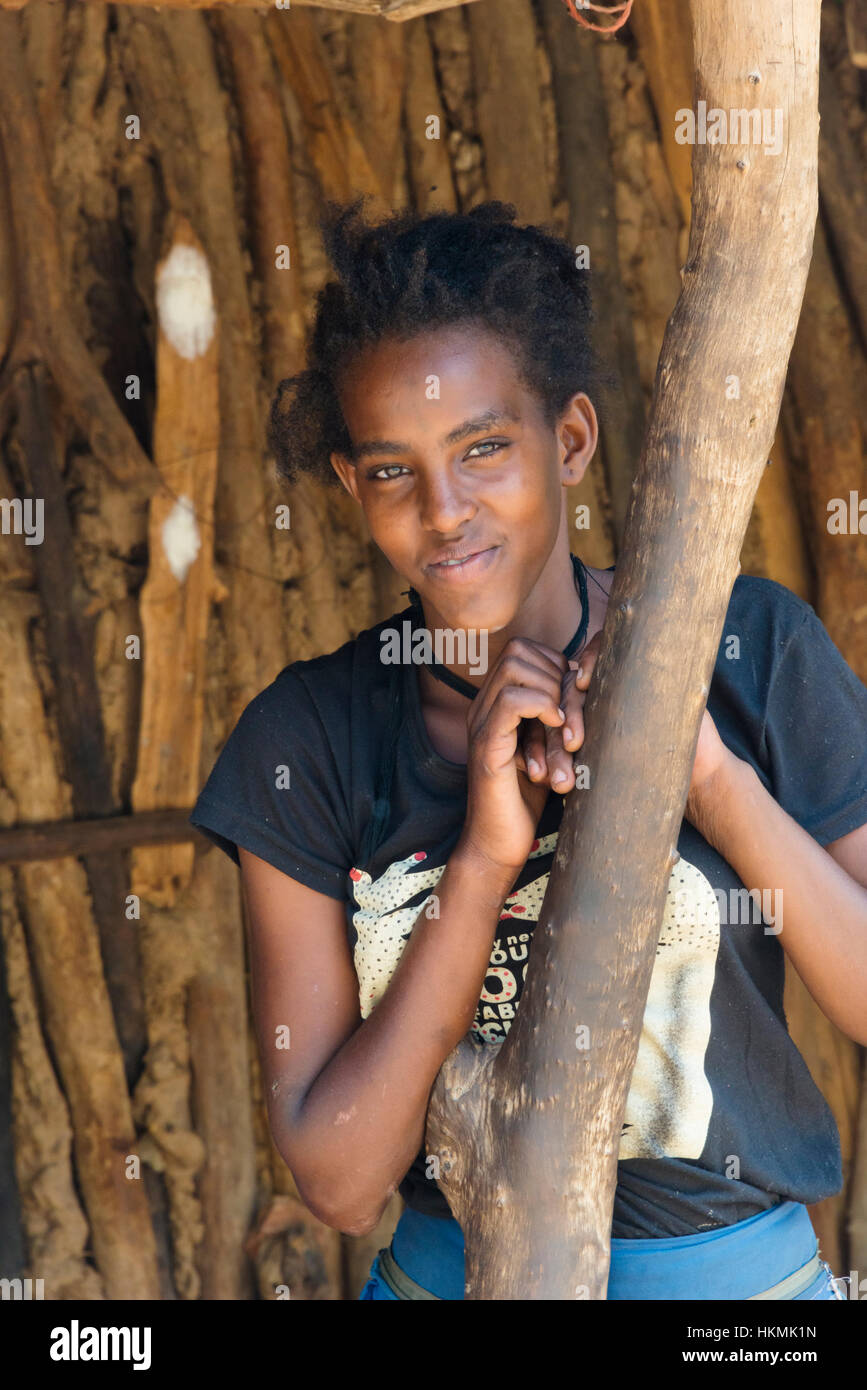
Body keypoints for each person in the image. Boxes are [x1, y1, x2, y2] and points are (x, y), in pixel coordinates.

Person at [189, 199, 867, 1301]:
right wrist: (481, 862)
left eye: (483, 448)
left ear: (572, 441)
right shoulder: (306, 739)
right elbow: (342, 1183)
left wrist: (706, 776)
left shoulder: (750, 649)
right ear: (352, 487)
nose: (446, 510)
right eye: (393, 470)